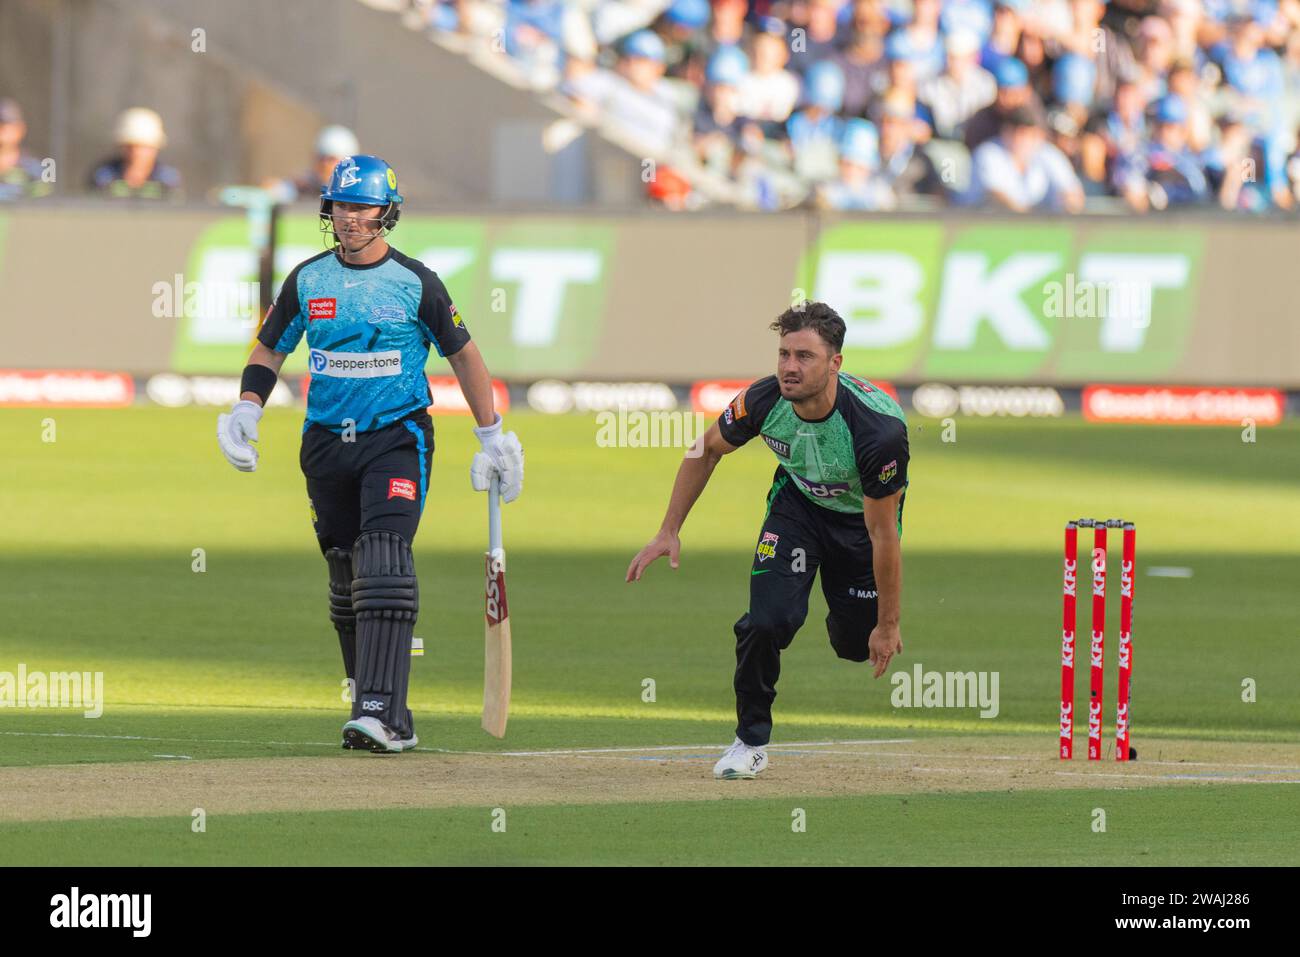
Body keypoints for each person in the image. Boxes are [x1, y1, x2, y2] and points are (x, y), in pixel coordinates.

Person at [216, 155, 523, 753]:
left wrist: (492, 436)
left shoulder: (416, 282)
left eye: (362, 206)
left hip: (395, 437)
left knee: (383, 557)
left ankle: (382, 715)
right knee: (345, 568)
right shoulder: (308, 279)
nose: (350, 217)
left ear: (387, 212)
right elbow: (269, 348)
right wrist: (247, 406)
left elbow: (464, 356)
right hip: (326, 441)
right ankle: (379, 706)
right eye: (340, 205)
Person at [626, 302, 909, 780]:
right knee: (766, 621)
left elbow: (884, 533)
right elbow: (704, 450)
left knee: (854, 644)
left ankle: (857, 621)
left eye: (804, 356)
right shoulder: (765, 400)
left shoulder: (877, 432)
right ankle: (749, 741)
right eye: (783, 354)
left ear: (835, 363)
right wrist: (669, 529)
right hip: (796, 508)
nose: (789, 367)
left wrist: (888, 623)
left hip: (859, 525)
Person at [968, 106, 1085, 212]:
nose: (1023, 140)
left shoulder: (1048, 153)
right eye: (1018, 133)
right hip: (985, 226)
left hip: (1037, 225)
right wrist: (1029, 217)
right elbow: (993, 196)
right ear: (1006, 131)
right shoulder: (988, 153)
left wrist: (1068, 202)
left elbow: (1073, 193)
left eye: (1029, 134)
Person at [88, 107, 181, 199]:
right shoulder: (104, 175)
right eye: (130, 146)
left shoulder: (167, 178)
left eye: (143, 146)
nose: (136, 152)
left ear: (155, 148)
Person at [263, 125, 361, 203]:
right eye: (321, 158)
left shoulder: (358, 193)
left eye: (331, 159)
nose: (324, 164)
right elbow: (277, 191)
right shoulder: (305, 185)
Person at [0, 99, 51, 201]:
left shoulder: (33, 169)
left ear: (20, 128)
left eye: (5, 124)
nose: (2, 130)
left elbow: (44, 208)